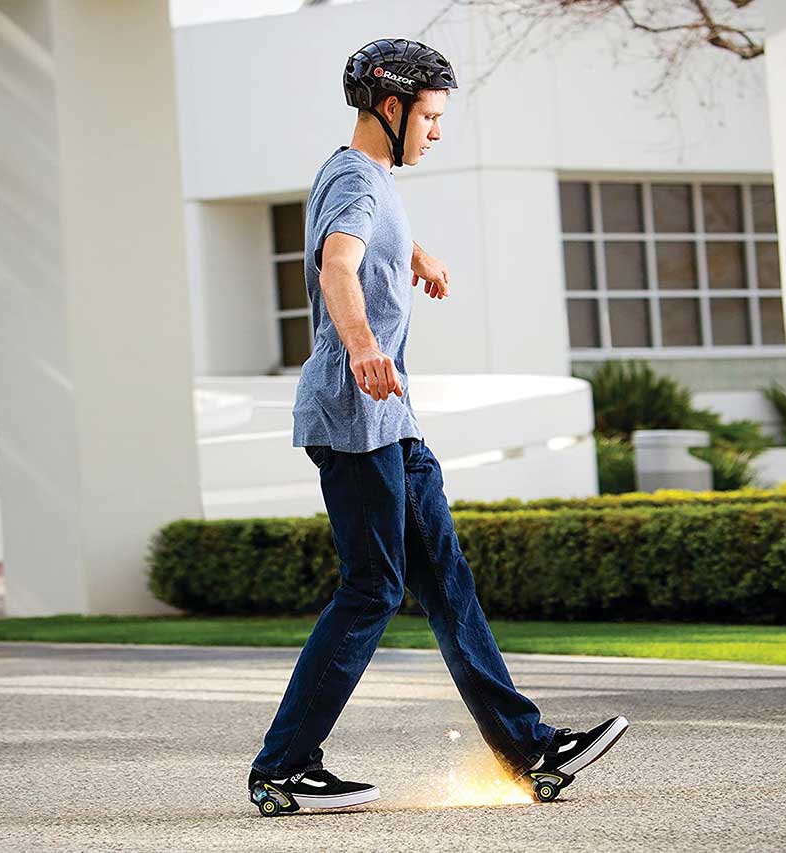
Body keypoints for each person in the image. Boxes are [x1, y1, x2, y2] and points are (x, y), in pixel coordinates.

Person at [248, 37, 628, 816]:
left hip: (390, 416)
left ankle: (528, 747)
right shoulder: (355, 178)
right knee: (373, 586)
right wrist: (361, 344)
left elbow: (365, 235)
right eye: (429, 116)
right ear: (391, 107)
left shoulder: (369, 177)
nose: (437, 131)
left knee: (446, 582)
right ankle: (283, 767)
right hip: (356, 415)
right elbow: (336, 263)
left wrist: (417, 254)